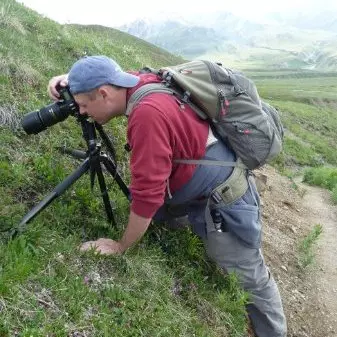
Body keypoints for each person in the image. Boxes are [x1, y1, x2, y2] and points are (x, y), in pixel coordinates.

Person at [48, 55, 287, 337]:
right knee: (158, 217)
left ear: (103, 93)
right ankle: (189, 220)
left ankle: (273, 332)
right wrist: (65, 80)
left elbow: (148, 196)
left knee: (249, 276)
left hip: (225, 198)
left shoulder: (147, 114)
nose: (83, 112)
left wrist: (120, 246)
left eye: (85, 105)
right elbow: (105, 75)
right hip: (194, 183)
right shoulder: (137, 82)